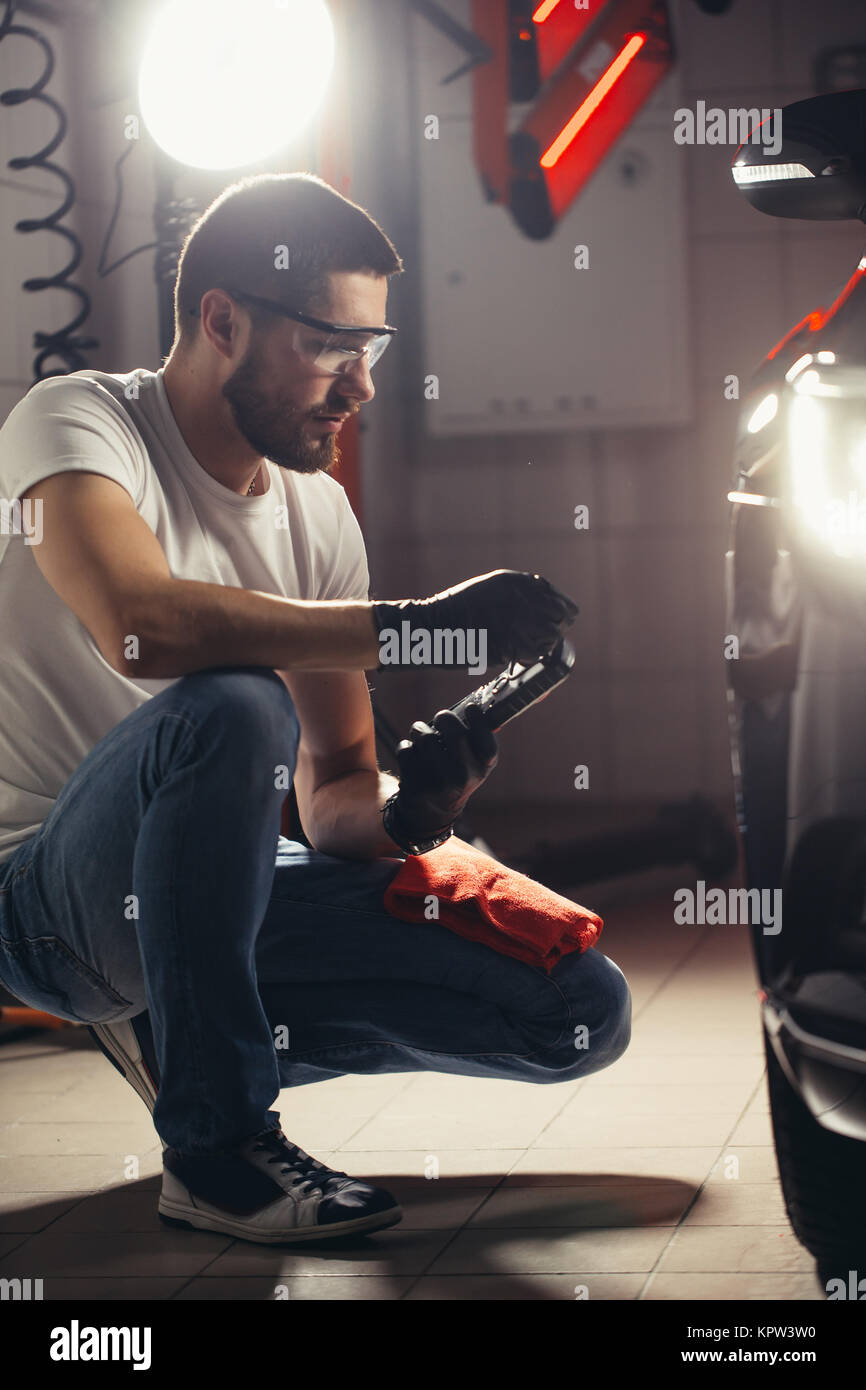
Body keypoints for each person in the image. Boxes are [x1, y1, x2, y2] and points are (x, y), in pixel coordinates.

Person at [0, 173, 631, 1245]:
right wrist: (407, 624)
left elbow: (332, 789)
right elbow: (140, 627)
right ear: (223, 319)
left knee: (574, 1005)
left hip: (213, 889)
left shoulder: (318, 510)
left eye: (371, 349)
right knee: (237, 704)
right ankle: (217, 1147)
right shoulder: (75, 422)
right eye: (332, 345)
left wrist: (408, 811)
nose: (360, 386)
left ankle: (185, 1033)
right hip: (41, 901)